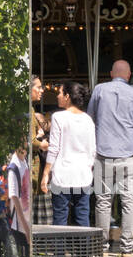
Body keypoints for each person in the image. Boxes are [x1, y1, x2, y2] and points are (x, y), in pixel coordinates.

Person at [87, 60, 133, 255]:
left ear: (111, 73)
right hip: (127, 154)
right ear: (128, 75)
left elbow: (91, 116)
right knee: (128, 201)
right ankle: (126, 246)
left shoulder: (100, 90)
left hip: (103, 152)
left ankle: (101, 246)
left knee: (103, 201)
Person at [40, 80, 96, 228]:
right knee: (82, 217)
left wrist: (46, 173)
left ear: (67, 96)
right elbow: (92, 151)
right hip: (83, 175)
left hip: (62, 174)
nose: (57, 95)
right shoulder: (88, 120)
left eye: (60, 92)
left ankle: (59, 251)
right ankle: (83, 251)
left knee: (60, 219)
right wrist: (87, 168)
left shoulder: (59, 117)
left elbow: (54, 148)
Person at [5, 136, 31, 257]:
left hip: (27, 221)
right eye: (23, 142)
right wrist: (26, 229)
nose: (26, 145)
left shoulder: (24, 161)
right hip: (20, 225)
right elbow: (14, 197)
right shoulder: (13, 167)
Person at [29, 76, 52, 226]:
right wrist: (43, 144)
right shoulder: (28, 111)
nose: (42, 90)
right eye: (38, 87)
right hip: (30, 168)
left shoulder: (29, 109)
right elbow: (29, 142)